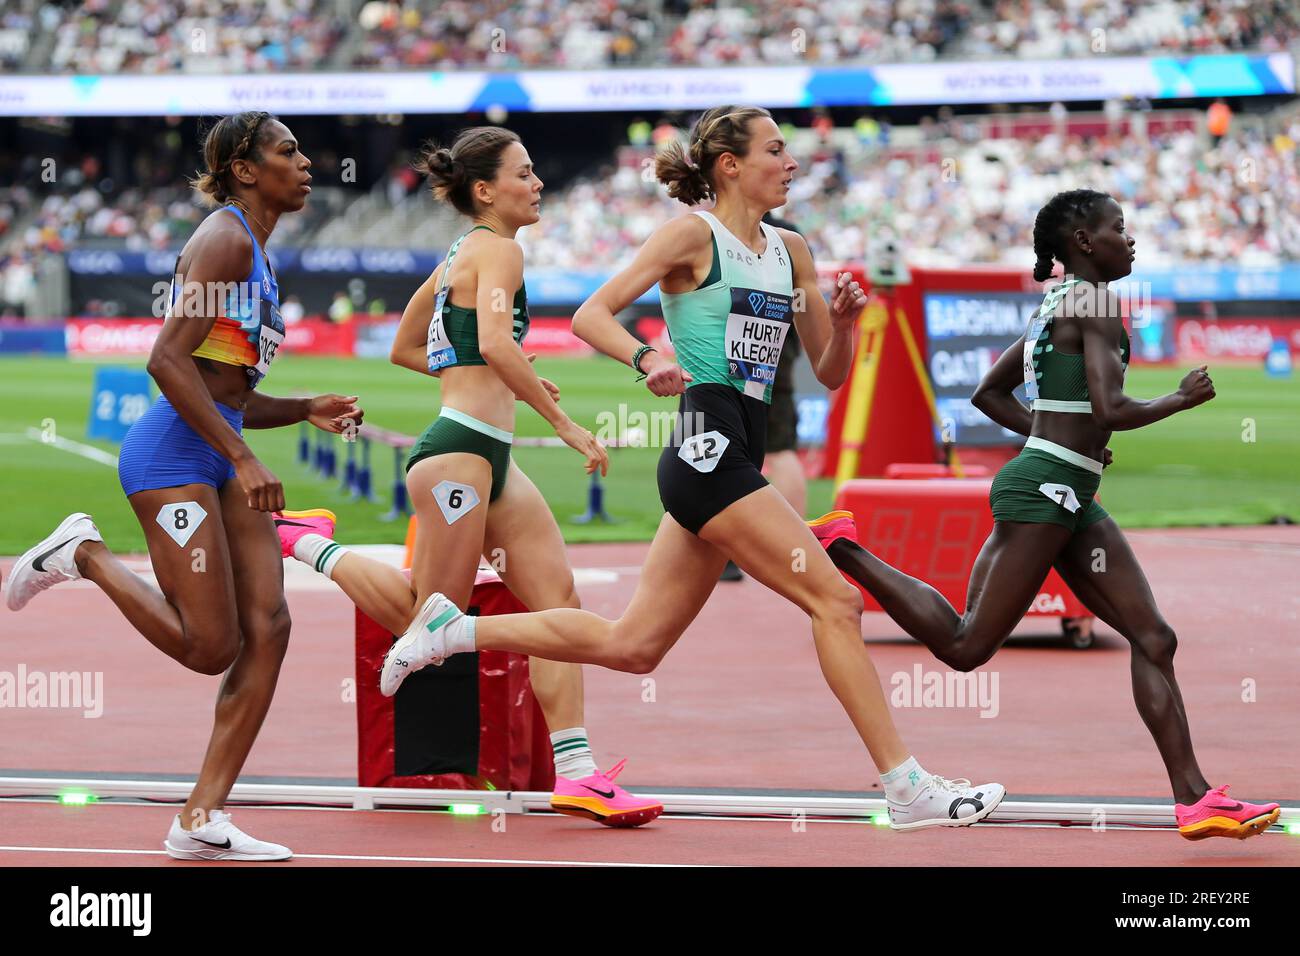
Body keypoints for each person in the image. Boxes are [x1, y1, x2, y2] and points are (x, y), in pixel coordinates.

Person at [382, 106, 1004, 831]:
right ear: (730, 166)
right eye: (776, 150)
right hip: (705, 447)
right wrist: (648, 356)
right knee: (835, 602)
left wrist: (843, 325)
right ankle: (906, 786)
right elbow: (591, 315)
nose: (792, 163)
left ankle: (452, 632)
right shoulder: (690, 236)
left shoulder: (793, 252)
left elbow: (830, 373)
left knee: (633, 645)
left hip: (736, 448)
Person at [808, 189, 1280, 841]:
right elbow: (1111, 409)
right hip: (1044, 492)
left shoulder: (1056, 303)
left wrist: (1066, 440)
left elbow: (988, 393)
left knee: (1154, 638)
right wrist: (1179, 397)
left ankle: (1195, 800)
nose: (1131, 239)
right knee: (967, 645)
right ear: (1084, 241)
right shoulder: (1094, 303)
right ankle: (842, 547)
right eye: (1119, 227)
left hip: (1066, 488)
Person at [276, 126, 661, 827]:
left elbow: (407, 347)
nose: (538, 183)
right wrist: (561, 420)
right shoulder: (500, 250)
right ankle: (305, 540)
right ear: (485, 189)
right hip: (458, 452)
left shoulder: (460, 252)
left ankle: (578, 774)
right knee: (427, 618)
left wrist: (490, 375)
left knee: (556, 600)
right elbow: (490, 343)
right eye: (525, 172)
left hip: (490, 456)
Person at [4, 111, 364, 860]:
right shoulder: (225, 239)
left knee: (270, 628)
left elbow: (227, 395)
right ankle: (82, 555)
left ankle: (200, 818)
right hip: (172, 459)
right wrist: (243, 460)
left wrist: (303, 408)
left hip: (213, 451)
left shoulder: (256, 251)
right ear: (245, 170)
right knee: (210, 646)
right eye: (289, 151)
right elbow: (166, 361)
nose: (306, 163)